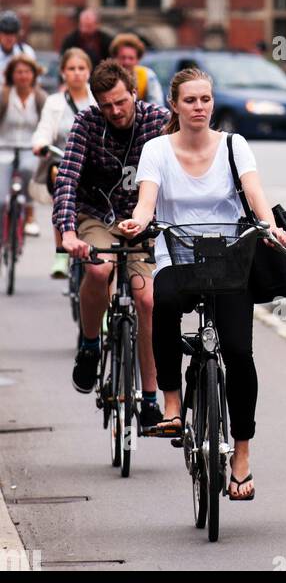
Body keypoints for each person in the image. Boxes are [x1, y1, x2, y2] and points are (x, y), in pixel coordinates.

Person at [119, 66, 286, 498]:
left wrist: (269, 225)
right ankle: (172, 403)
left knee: (239, 352)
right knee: (163, 302)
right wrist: (138, 222)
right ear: (174, 105)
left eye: (206, 99)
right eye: (190, 100)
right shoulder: (157, 149)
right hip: (176, 254)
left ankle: (242, 454)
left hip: (229, 258)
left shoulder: (234, 144)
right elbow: (146, 201)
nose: (199, 107)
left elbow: (254, 192)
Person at [52, 59, 169, 431]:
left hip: (142, 222)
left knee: (147, 300)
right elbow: (67, 180)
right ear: (97, 104)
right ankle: (89, 345)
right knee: (100, 268)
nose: (115, 111)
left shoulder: (158, 121)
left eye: (121, 102)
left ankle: (149, 397)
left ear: (134, 92)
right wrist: (68, 232)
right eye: (107, 106)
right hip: (98, 216)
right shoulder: (86, 124)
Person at [31, 47, 95, 278]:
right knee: (60, 183)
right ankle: (61, 251)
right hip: (63, 160)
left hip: (94, 161)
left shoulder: (97, 98)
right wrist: (40, 143)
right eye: (71, 68)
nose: (77, 73)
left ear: (89, 71)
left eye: (81, 68)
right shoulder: (54, 102)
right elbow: (44, 129)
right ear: (63, 72)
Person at [0, 55, 48, 237]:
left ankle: (29, 214)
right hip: (4, 148)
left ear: (34, 75)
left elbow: (47, 124)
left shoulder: (40, 97)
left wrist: (44, 144)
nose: (23, 76)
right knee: (1, 198)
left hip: (30, 148)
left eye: (27, 72)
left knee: (27, 169)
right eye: (19, 72)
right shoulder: (4, 95)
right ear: (11, 75)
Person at [108, 33, 164, 107]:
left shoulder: (147, 75)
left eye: (131, 58)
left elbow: (158, 104)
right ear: (115, 58)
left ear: (138, 60)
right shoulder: (107, 77)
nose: (126, 62)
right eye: (123, 57)